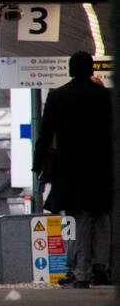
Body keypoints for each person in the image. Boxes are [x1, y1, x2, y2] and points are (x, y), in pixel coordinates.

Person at [34, 51, 113, 288]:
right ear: (91, 70)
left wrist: (38, 165)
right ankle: (101, 267)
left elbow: (45, 134)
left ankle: (81, 273)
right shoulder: (105, 97)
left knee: (78, 220)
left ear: (70, 70)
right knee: (101, 218)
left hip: (71, 170)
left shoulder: (58, 97)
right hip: (102, 168)